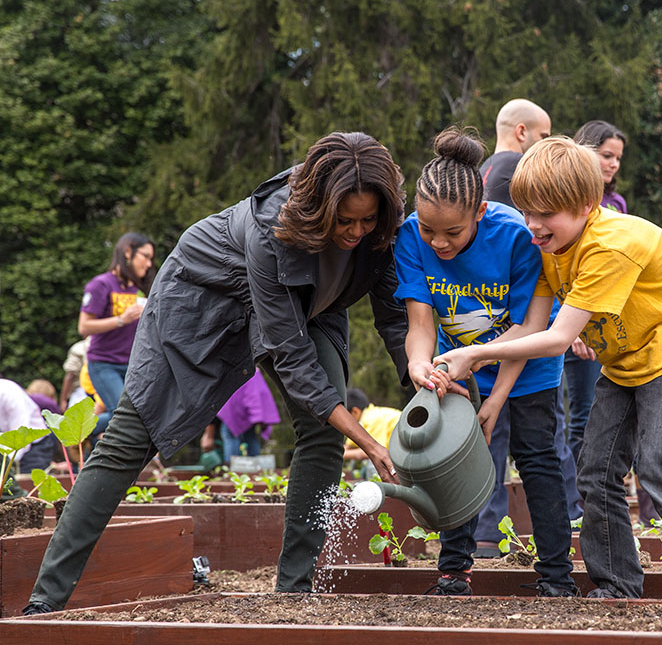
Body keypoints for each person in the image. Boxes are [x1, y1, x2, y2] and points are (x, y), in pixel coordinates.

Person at [22, 131, 410, 615]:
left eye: (366, 220)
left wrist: (421, 389)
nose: (355, 232)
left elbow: (396, 317)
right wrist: (370, 443)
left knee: (324, 432)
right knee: (129, 436)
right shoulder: (276, 229)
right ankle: (45, 599)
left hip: (310, 303)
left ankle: (296, 590)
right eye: (344, 221)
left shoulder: (384, 228)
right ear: (319, 209)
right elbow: (290, 354)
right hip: (207, 291)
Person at [433, 136, 662, 601]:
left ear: (587, 206)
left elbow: (551, 339)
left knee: (659, 465)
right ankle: (617, 584)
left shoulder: (610, 246)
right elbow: (535, 324)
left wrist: (474, 354)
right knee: (595, 471)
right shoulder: (550, 246)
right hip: (623, 361)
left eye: (545, 214)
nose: (532, 225)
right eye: (526, 212)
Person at [395, 127, 576, 597]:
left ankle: (557, 577)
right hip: (461, 368)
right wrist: (420, 366)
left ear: (479, 212)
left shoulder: (515, 236)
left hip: (527, 363)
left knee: (538, 462)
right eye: (428, 229)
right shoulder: (410, 237)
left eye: (452, 232)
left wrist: (497, 399)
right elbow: (419, 323)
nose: (438, 243)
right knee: (459, 461)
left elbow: (529, 329)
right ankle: (454, 572)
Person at [475, 99, 581, 556]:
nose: (546, 146)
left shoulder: (479, 171)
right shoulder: (516, 171)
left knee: (490, 436)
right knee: (540, 443)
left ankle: (484, 534)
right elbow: (531, 257)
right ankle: (564, 525)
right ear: (521, 132)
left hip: (482, 325)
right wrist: (564, 320)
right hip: (523, 322)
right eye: (543, 136)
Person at [562, 121, 629, 462]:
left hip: (608, 323)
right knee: (580, 413)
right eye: (606, 155)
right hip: (573, 320)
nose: (613, 164)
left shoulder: (616, 203)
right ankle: (576, 501)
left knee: (605, 414)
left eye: (617, 158)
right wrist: (574, 327)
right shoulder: (565, 201)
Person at [78, 232, 156, 436]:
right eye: (145, 256)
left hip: (134, 364)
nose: (148, 264)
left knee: (139, 416)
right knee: (121, 415)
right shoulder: (101, 284)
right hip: (104, 364)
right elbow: (84, 327)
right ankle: (72, 432)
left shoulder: (140, 289)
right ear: (128, 252)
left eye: (151, 259)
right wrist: (121, 319)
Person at [200, 368, 282, 463]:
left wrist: (209, 435)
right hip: (248, 409)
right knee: (250, 436)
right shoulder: (252, 368)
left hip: (235, 407)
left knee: (230, 435)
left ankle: (232, 469)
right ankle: (255, 469)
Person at [0, 378, 57, 477]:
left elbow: (20, 434)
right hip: (12, 445)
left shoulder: (9, 393)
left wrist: (6, 462)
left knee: (29, 483)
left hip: (35, 444)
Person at [342, 387, 402, 479]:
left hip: (405, 456)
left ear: (355, 411)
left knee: (371, 467)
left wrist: (342, 454)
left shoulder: (372, 419)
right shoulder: (364, 419)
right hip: (397, 456)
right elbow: (348, 447)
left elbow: (375, 452)